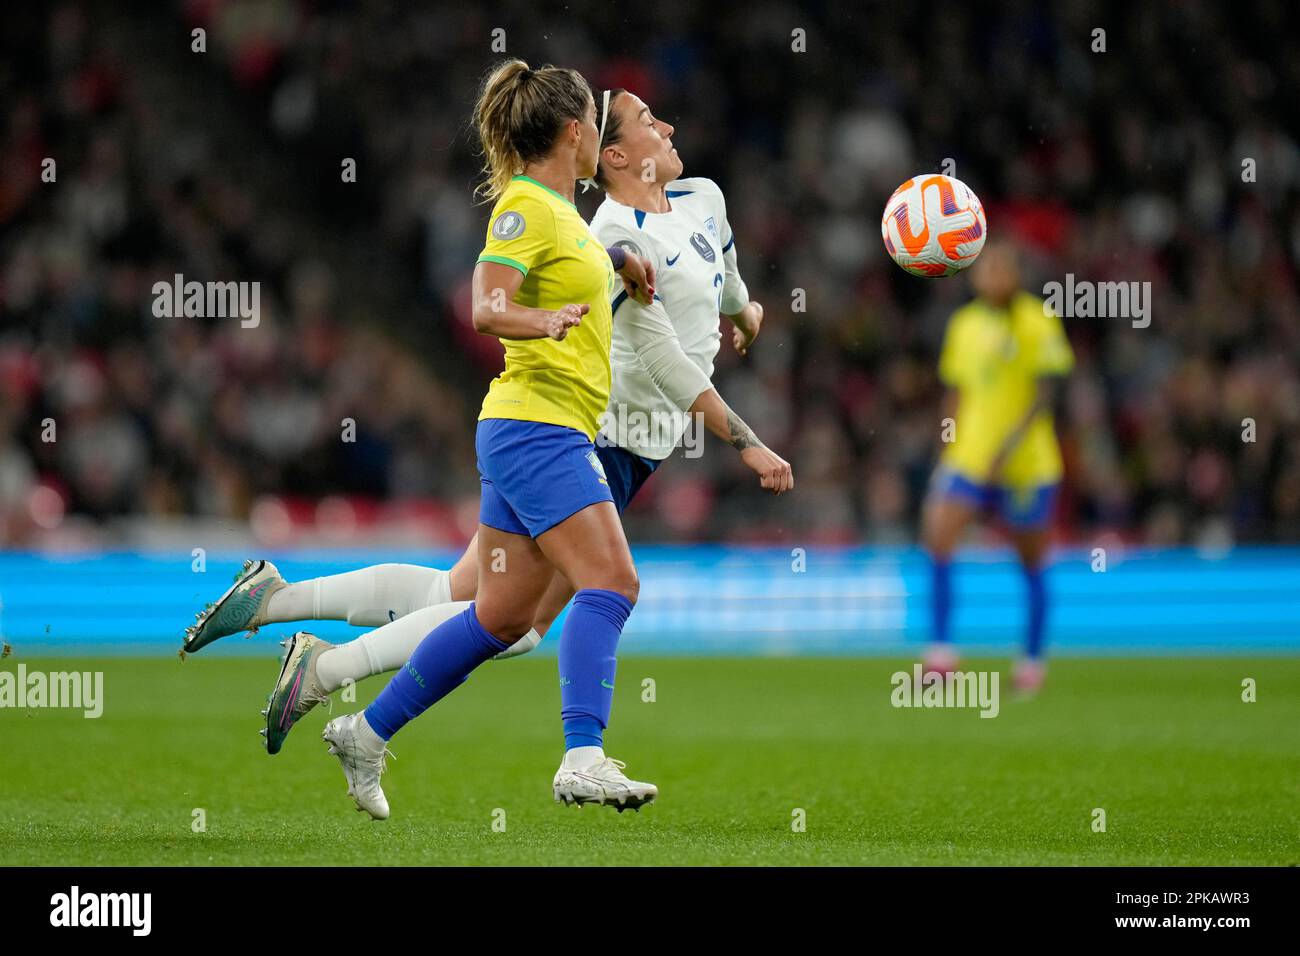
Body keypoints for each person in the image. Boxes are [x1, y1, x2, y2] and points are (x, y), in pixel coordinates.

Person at [181, 85, 792, 795]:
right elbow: (522, 306)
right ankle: (577, 757)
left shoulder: (648, 209)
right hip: (572, 436)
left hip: (581, 437)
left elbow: (704, 280)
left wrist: (740, 309)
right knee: (594, 591)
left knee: (485, 609)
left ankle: (307, 648)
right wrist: (743, 438)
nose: (669, 123)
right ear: (593, 140)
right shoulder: (564, 216)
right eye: (637, 121)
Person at [921, 240, 1073, 693]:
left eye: (1001, 270)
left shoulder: (1037, 321)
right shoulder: (964, 324)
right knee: (939, 536)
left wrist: (1008, 448)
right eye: (985, 271)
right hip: (969, 457)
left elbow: (1047, 395)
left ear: (1016, 275)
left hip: (1026, 464)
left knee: (1030, 559)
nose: (992, 278)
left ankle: (1031, 659)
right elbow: (955, 392)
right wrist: (945, 446)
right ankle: (942, 653)